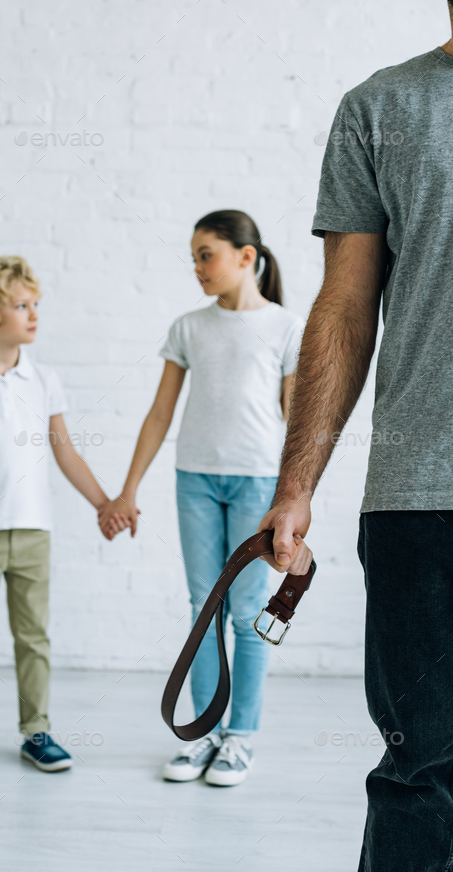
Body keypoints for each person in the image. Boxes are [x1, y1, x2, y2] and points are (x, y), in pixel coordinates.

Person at [256, 0, 453, 868]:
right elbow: (345, 309)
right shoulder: (380, 109)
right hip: (424, 502)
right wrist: (296, 486)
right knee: (416, 775)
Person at [99, 210, 304, 786]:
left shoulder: (288, 328)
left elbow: (296, 421)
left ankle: (240, 737)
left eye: (206, 254)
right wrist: (128, 488)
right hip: (194, 479)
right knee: (201, 609)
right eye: (192, 257)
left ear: (246, 257)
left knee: (245, 614)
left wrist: (295, 496)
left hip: (258, 484)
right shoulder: (189, 327)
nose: (197, 267)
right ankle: (204, 733)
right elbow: (160, 412)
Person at [0, 256, 127, 777]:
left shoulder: (43, 379)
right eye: (22, 305)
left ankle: (35, 732)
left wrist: (104, 503)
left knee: (33, 637)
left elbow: (65, 452)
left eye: (36, 304)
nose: (34, 313)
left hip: (34, 533)